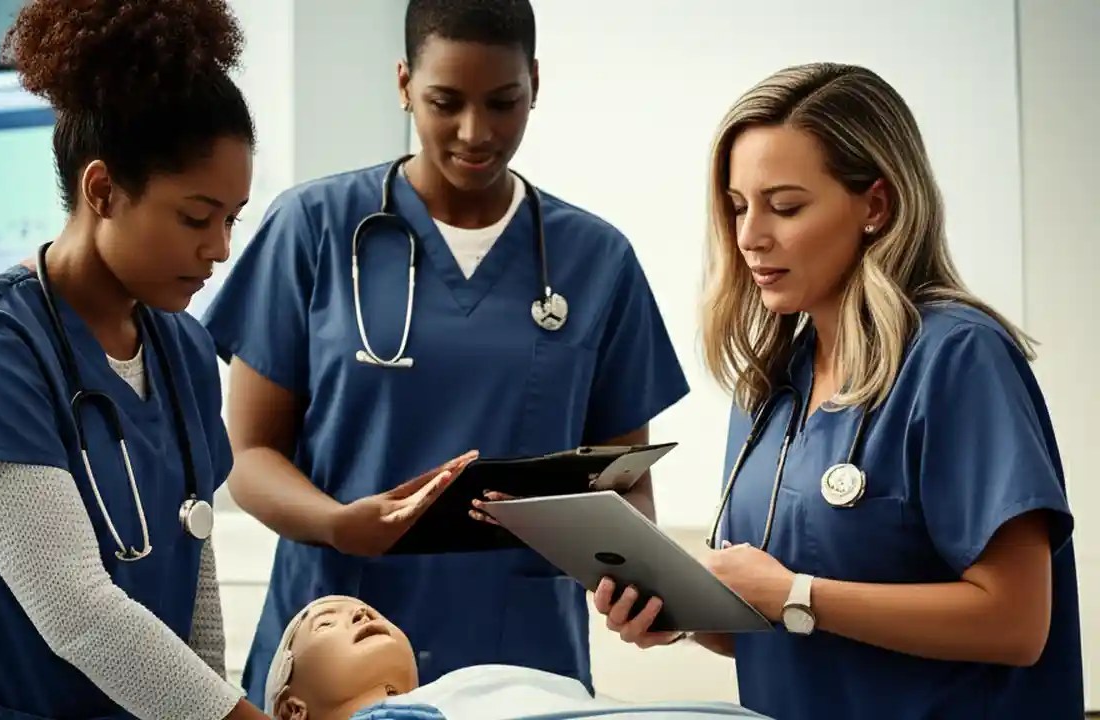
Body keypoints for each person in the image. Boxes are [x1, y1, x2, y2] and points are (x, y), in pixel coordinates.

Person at [201, 0, 689, 705]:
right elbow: (248, 460)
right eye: (444, 101)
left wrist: (637, 572)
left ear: (536, 85)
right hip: (334, 658)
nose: (475, 132)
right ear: (403, 84)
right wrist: (338, 525)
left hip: (522, 666)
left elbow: (621, 483)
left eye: (503, 102)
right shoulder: (312, 228)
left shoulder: (597, 260)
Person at [594, 62, 1084, 719]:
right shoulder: (768, 392)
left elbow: (1016, 623)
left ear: (876, 206)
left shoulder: (957, 358)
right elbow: (786, 629)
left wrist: (796, 592)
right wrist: (680, 614)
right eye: (738, 207)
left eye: (785, 206)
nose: (749, 238)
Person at [0, 1, 269, 718]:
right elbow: (79, 612)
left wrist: (215, 697)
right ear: (102, 190)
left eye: (232, 218)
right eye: (196, 217)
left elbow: (195, 567)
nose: (220, 248)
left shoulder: (180, 345)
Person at [262, 595, 772, 720]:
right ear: (291, 711)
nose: (358, 616)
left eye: (365, 610)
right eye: (326, 623)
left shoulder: (470, 684)